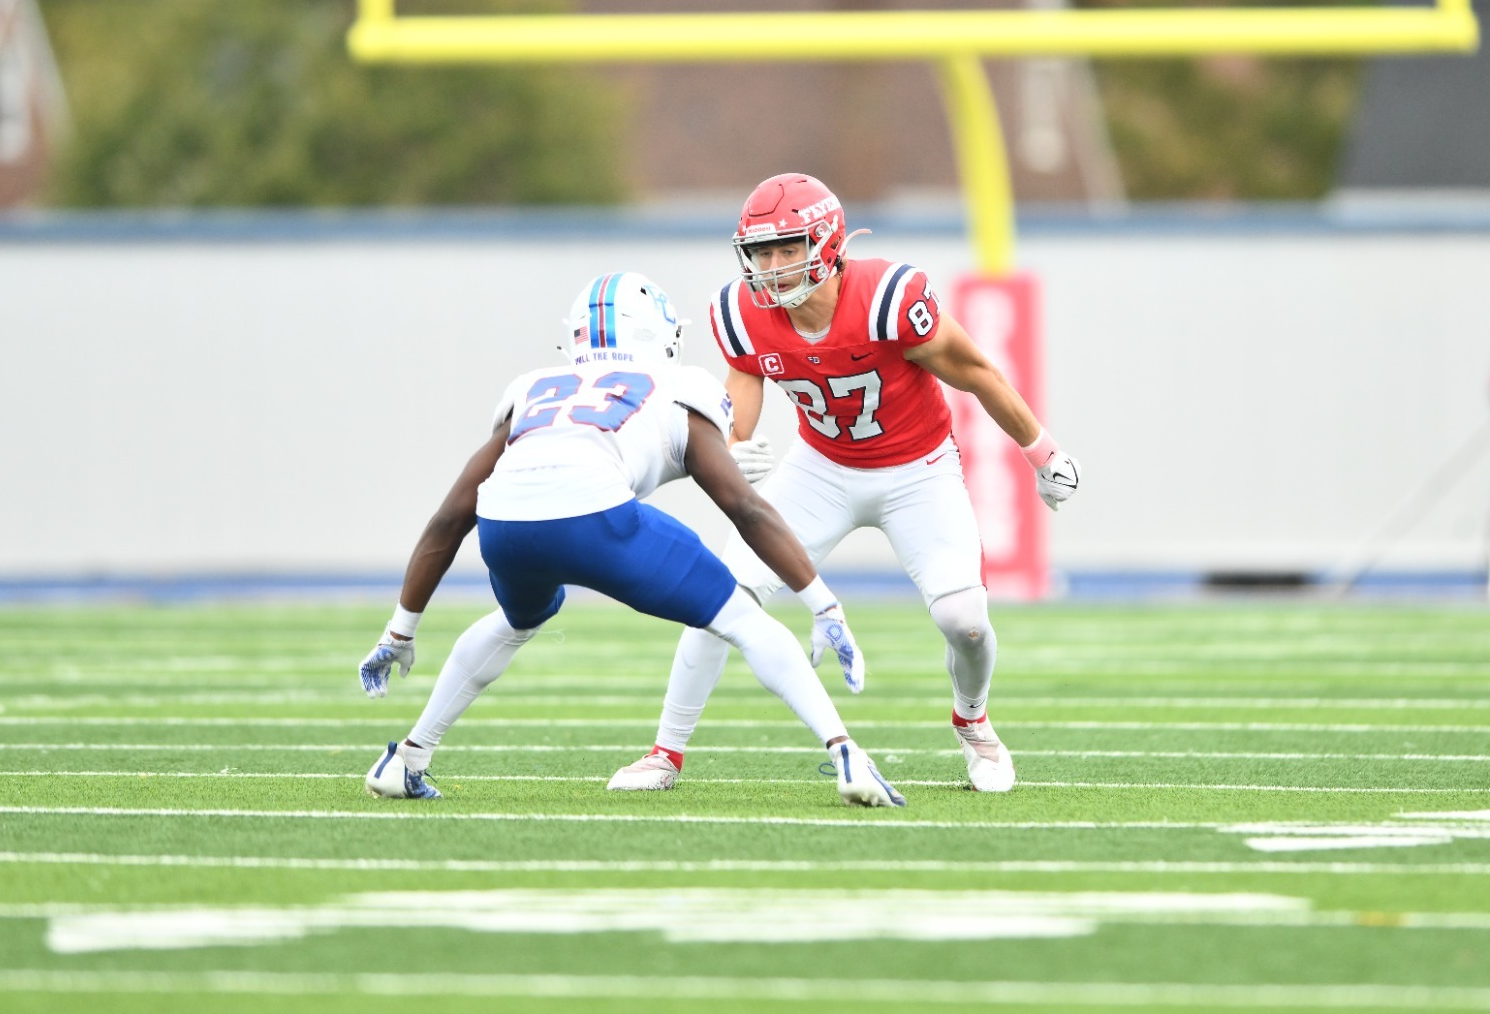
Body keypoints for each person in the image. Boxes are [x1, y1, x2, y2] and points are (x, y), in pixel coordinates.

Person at [356, 271, 904, 809]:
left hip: (503, 525)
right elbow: (745, 508)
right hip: (594, 517)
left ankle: (407, 758)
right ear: (659, 334)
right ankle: (846, 753)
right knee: (741, 619)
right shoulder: (682, 385)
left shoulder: (533, 387)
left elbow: (451, 517)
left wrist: (401, 629)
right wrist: (822, 602)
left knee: (518, 618)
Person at [607, 174, 1079, 796]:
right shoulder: (743, 311)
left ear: (826, 243)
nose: (771, 268)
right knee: (720, 597)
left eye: (787, 249)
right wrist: (732, 449)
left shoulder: (887, 296)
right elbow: (742, 394)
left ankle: (973, 721)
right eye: (761, 252)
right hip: (821, 467)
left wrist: (1039, 449)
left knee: (964, 619)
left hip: (919, 468)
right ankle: (666, 753)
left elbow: (974, 371)